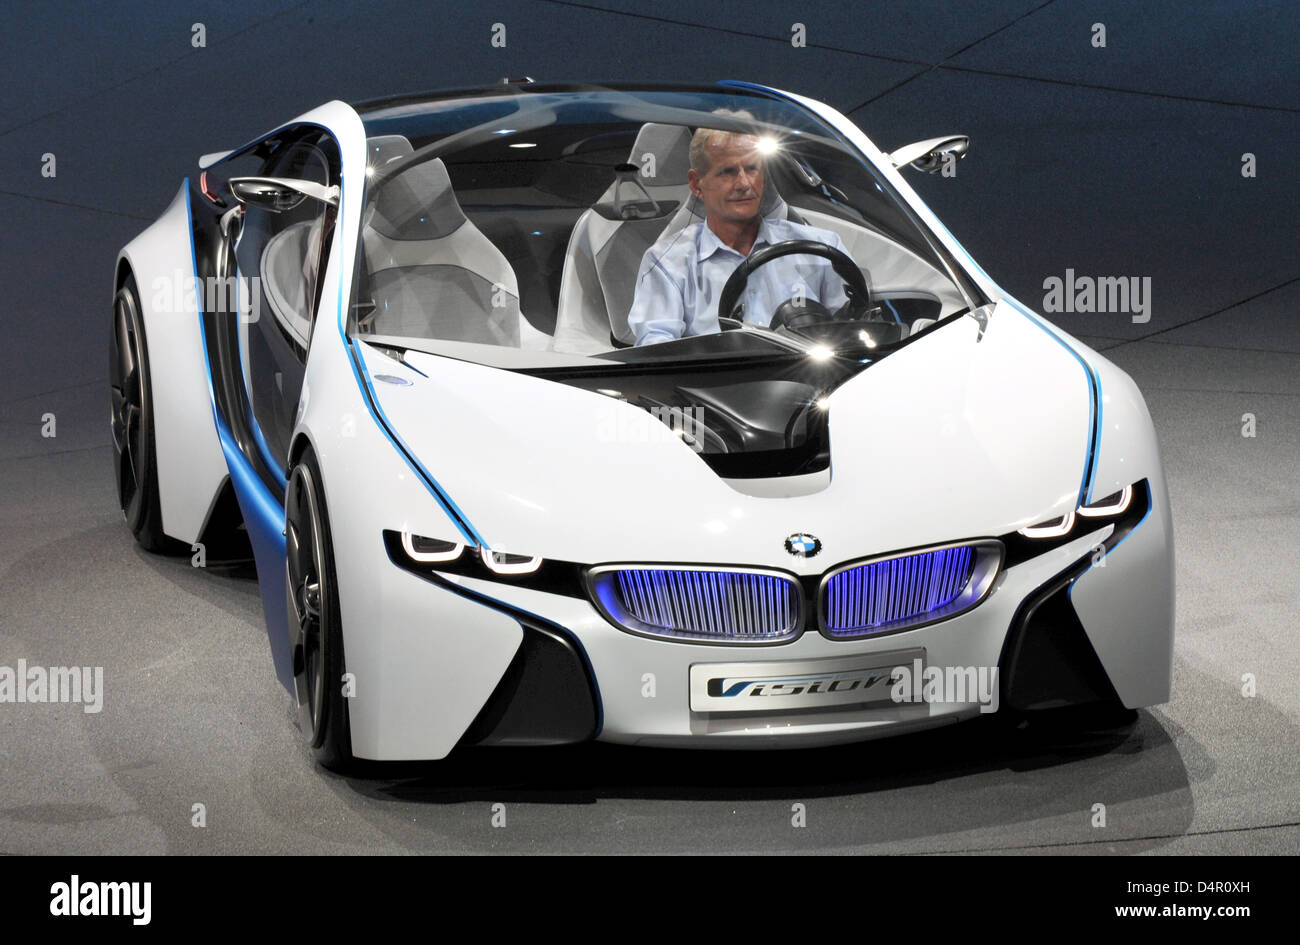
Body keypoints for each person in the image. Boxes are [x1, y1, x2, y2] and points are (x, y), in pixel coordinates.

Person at [626, 112, 852, 346]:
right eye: (728, 171)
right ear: (696, 184)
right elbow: (656, 352)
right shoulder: (667, 264)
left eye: (753, 168)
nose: (744, 184)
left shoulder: (823, 250)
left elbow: (854, 331)